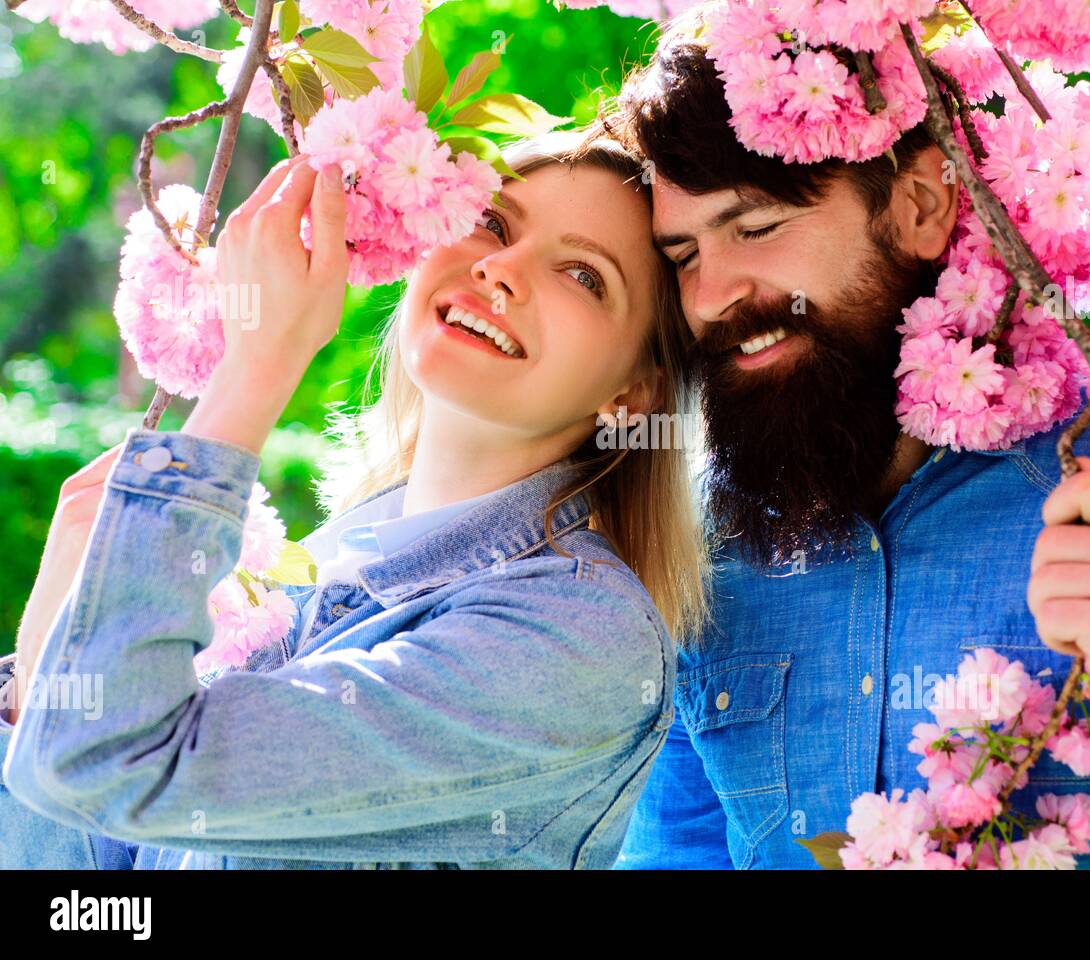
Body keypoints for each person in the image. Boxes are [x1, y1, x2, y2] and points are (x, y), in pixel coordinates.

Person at [608, 24, 1090, 869]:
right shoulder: (701, 543)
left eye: (755, 229)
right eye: (683, 254)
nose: (712, 297)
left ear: (921, 206)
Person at [0, 129, 708, 870]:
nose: (501, 267)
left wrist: (257, 367)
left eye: (583, 275)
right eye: (492, 223)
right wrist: (37, 672)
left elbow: (111, 763)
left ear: (633, 395)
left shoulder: (578, 638)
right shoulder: (307, 587)